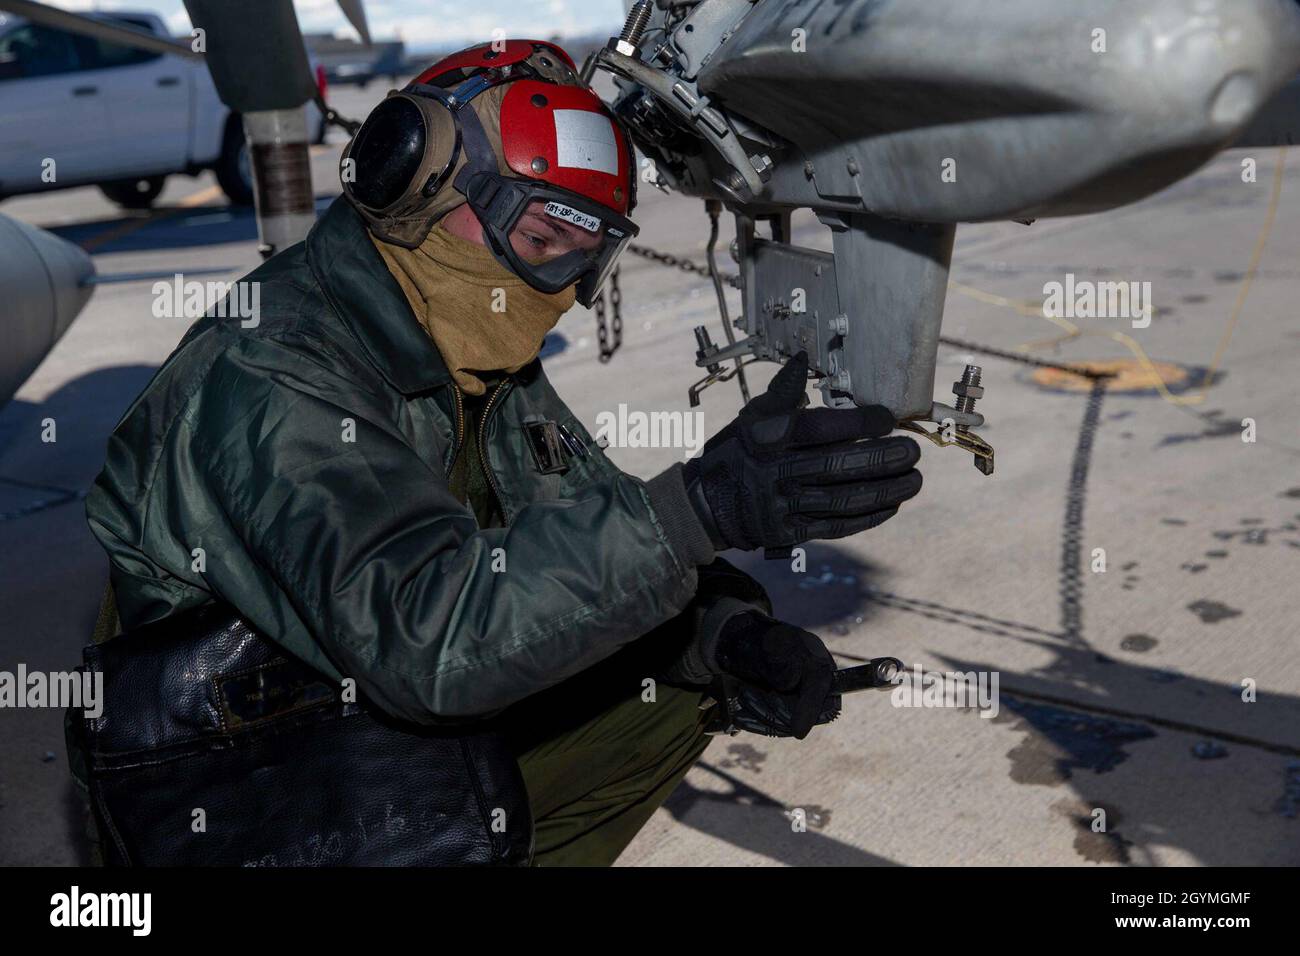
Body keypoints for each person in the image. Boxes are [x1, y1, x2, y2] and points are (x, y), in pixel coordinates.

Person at [82, 40, 923, 865]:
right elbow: (428, 644)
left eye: (584, 254)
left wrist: (721, 636)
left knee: (670, 687)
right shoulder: (275, 368)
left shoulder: (462, 338)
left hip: (356, 697)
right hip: (241, 763)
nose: (551, 284)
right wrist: (701, 508)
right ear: (409, 181)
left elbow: (576, 521)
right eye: (539, 237)